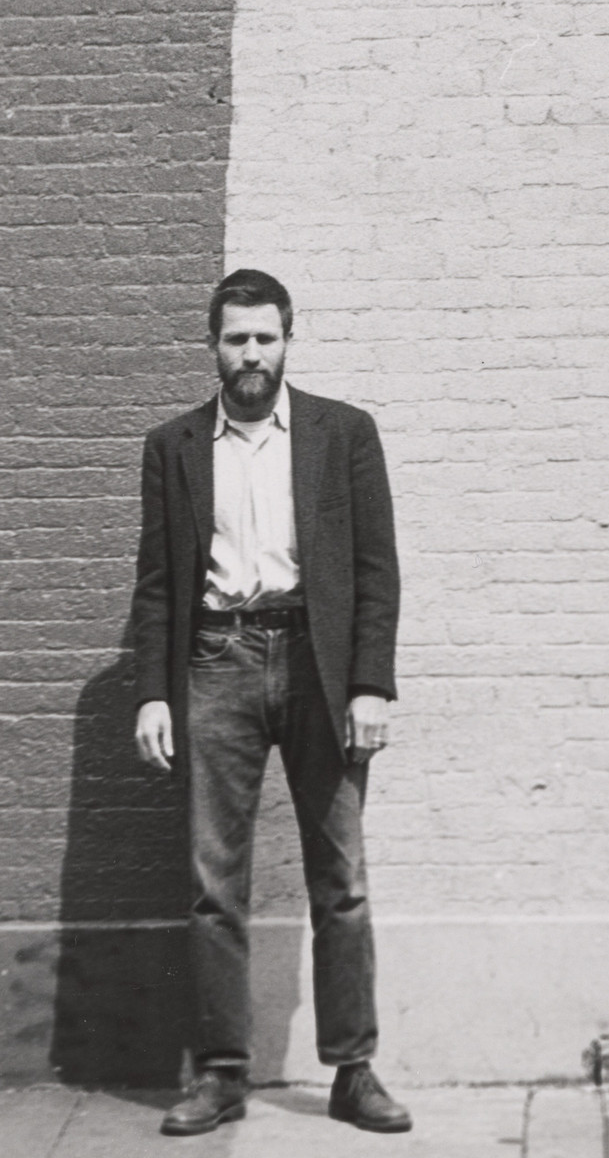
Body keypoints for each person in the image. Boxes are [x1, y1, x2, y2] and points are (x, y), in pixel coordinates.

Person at [129, 268, 411, 1137]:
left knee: (343, 881)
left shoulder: (343, 433)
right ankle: (221, 1075)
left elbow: (376, 570)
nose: (251, 353)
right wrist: (152, 694)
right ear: (212, 345)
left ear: (289, 340)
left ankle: (353, 1071)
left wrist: (371, 683)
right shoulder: (173, 446)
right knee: (215, 885)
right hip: (217, 662)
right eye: (236, 338)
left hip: (320, 665)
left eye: (265, 337)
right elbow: (157, 585)